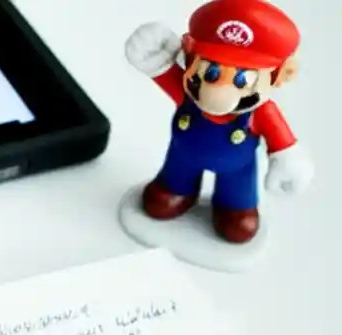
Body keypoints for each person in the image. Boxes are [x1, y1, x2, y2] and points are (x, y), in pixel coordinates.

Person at [124, 0, 313, 244]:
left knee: (238, 223)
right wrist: (152, 57)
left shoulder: (261, 111)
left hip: (237, 168)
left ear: (277, 76)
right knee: (162, 199)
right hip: (182, 156)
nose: (217, 92)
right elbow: (162, 71)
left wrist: (289, 158)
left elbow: (281, 140)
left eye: (241, 79)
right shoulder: (188, 94)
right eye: (211, 73)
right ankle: (176, 190)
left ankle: (235, 208)